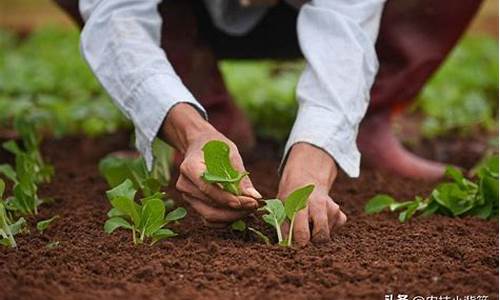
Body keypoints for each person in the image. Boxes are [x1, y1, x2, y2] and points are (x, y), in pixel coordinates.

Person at [54, 0, 482, 245]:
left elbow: (346, 26)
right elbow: (118, 15)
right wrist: (190, 128)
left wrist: (315, 153)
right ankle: (205, 110)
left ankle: (366, 118)